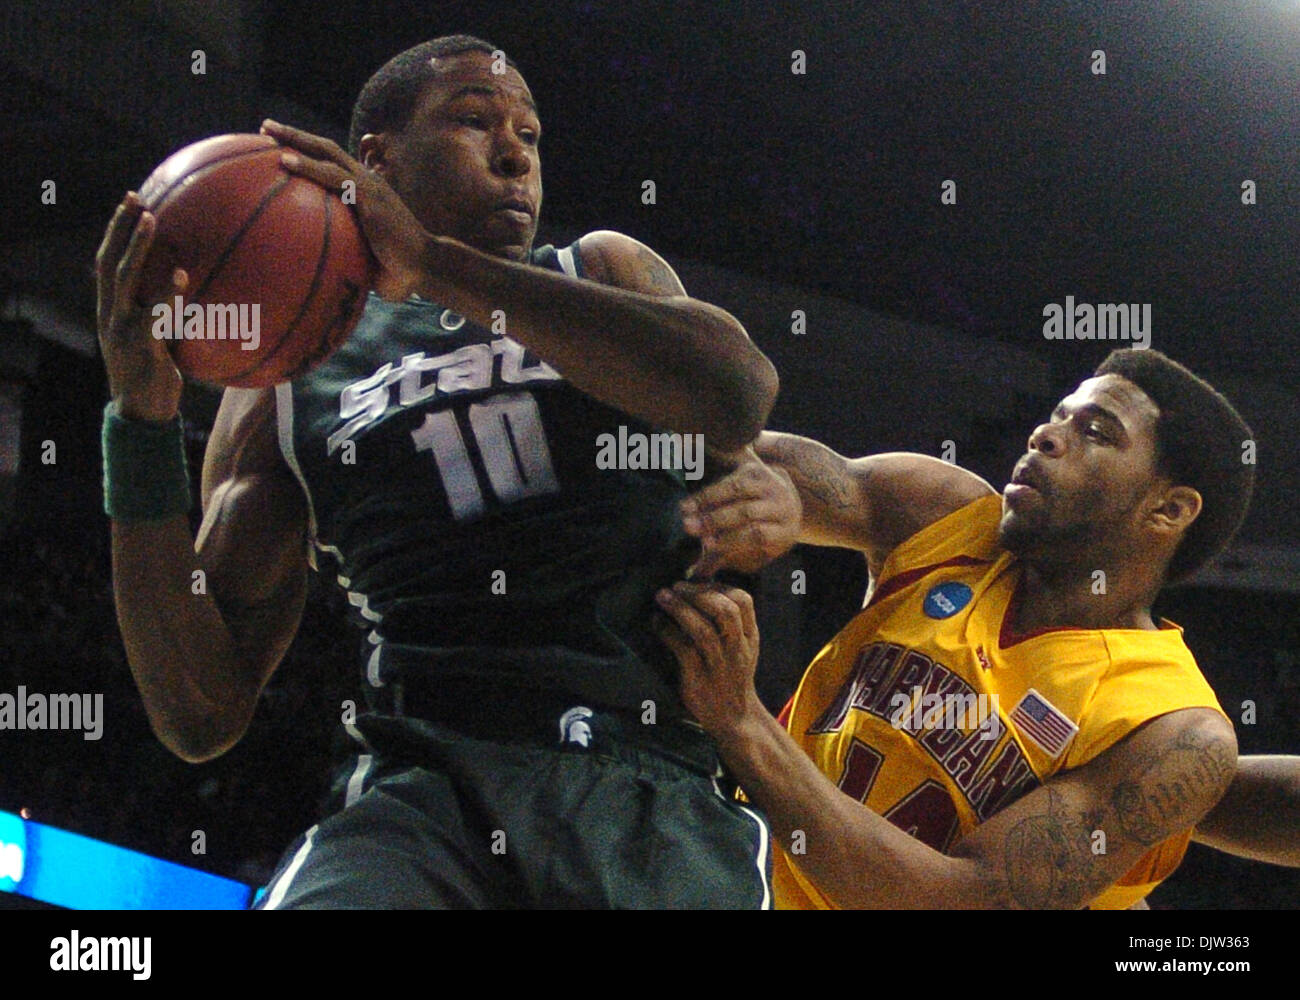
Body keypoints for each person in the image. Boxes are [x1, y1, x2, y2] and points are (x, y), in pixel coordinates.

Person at [95, 35, 778, 908]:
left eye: (530, 136)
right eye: (475, 120)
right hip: (423, 793)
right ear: (375, 161)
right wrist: (142, 424)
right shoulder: (292, 379)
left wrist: (435, 264)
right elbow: (199, 710)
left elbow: (738, 393)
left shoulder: (596, 270)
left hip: (644, 785)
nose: (514, 154)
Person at [654, 348, 1258, 908]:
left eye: (1096, 433)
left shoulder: (1174, 725)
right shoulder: (945, 514)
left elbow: (962, 900)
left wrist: (743, 723)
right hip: (726, 881)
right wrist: (770, 490)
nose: (1047, 436)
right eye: (1058, 416)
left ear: (1170, 509)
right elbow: (724, 449)